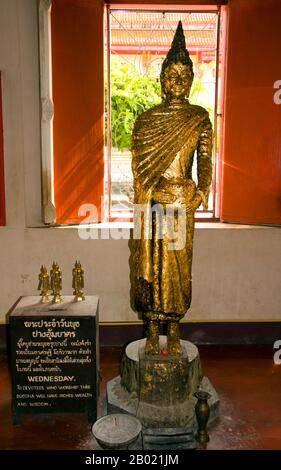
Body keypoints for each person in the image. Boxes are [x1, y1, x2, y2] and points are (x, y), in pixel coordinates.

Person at [131, 21, 213, 355]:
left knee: (178, 268)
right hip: (153, 202)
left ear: (191, 79)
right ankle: (152, 329)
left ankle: (175, 327)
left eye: (184, 75)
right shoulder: (147, 120)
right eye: (172, 75)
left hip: (183, 202)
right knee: (151, 267)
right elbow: (139, 168)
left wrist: (202, 190)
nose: (177, 81)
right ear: (162, 79)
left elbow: (205, 161)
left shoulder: (199, 117)